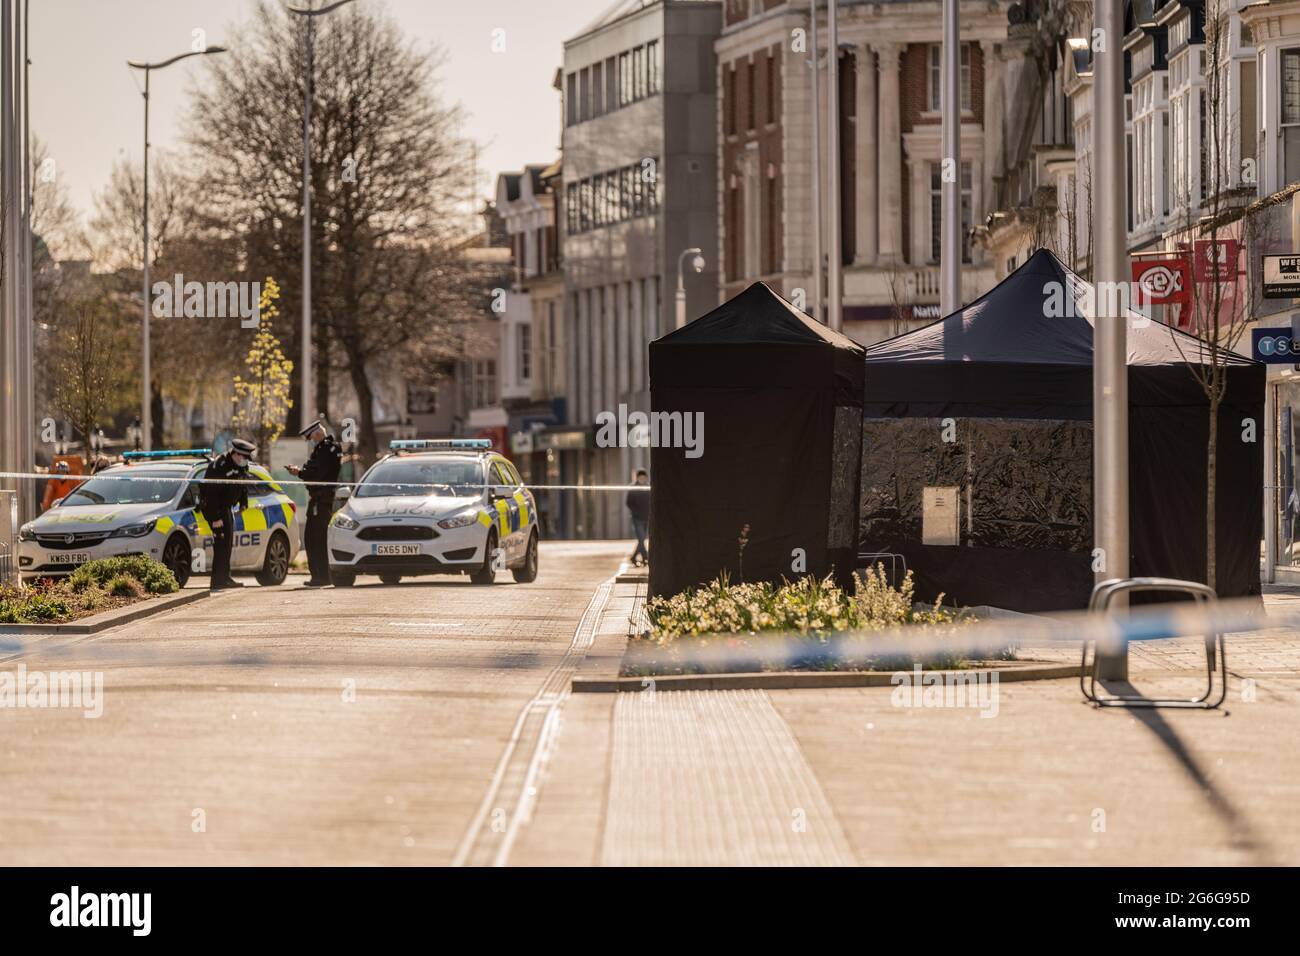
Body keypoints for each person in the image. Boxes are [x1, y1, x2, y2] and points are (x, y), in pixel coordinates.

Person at [286, 419, 342, 587]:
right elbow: (313, 469)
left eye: (311, 437)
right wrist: (303, 472)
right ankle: (319, 575)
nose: (311, 440)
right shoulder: (325, 448)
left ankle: (321, 576)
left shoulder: (326, 449)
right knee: (313, 538)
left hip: (321, 499)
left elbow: (317, 473)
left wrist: (300, 473)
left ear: (317, 433)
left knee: (316, 538)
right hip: (318, 499)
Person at [198, 439, 255, 591]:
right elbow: (211, 495)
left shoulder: (241, 465)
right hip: (215, 509)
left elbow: (243, 485)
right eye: (243, 457)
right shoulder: (219, 466)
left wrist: (244, 502)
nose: (245, 461)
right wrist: (215, 518)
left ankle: (225, 577)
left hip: (227, 509)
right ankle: (217, 581)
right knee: (221, 544)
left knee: (227, 544)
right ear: (235, 454)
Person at [626, 469, 650, 567]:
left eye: (644, 478)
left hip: (647, 517)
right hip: (637, 519)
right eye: (640, 478)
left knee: (642, 539)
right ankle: (646, 558)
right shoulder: (633, 488)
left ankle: (634, 557)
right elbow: (629, 503)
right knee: (641, 539)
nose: (642, 479)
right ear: (637, 478)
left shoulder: (649, 487)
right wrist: (635, 512)